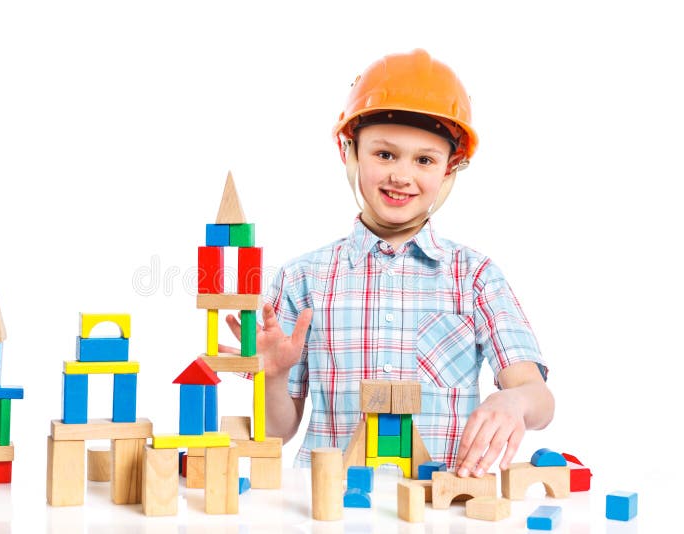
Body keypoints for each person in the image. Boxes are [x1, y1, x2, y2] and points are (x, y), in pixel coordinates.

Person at [225, 49, 553, 478]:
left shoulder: (474, 277)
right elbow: (274, 432)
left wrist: (515, 400)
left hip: (436, 503)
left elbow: (539, 399)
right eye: (384, 154)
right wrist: (272, 376)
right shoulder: (302, 279)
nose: (402, 175)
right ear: (350, 152)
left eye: (424, 160)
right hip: (327, 502)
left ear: (450, 169)